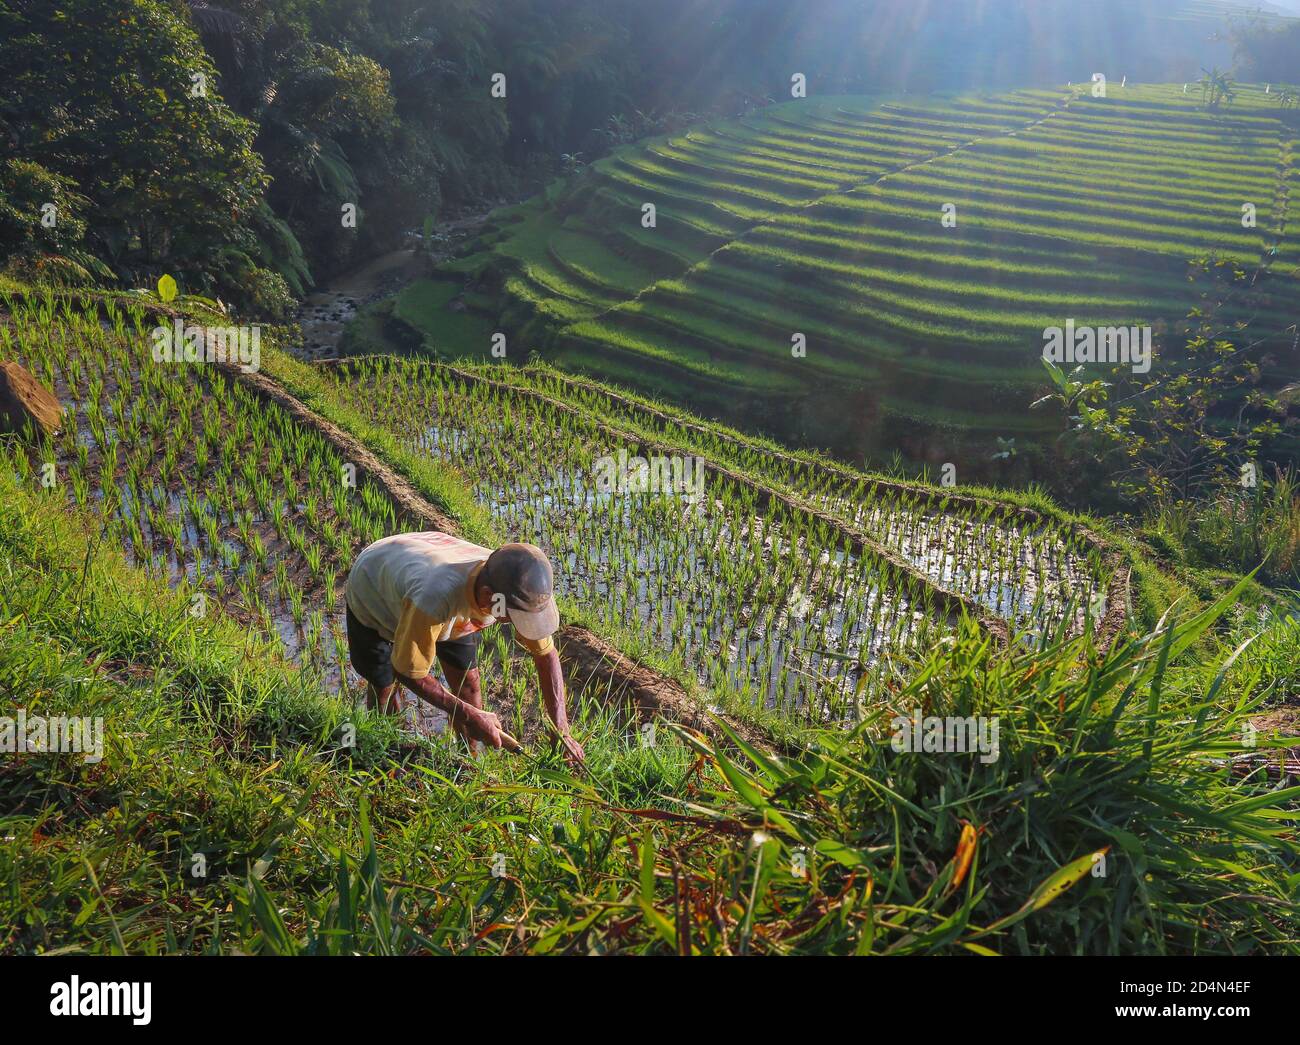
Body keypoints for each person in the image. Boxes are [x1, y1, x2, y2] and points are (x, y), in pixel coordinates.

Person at [344, 531, 584, 764]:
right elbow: (408, 672)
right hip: (375, 591)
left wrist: (561, 729)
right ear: (489, 596)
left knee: (469, 685)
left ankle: (467, 761)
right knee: (385, 684)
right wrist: (469, 714)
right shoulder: (434, 598)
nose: (520, 624)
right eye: (515, 616)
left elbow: (545, 655)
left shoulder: (523, 587)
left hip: (434, 585)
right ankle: (384, 741)